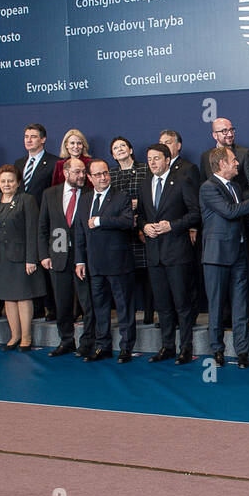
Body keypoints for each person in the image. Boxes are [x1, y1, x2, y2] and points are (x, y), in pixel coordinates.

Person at [199, 146, 249, 368]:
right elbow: (230, 211)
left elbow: (244, 217)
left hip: (239, 255)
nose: (237, 164)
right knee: (216, 306)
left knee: (241, 306)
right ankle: (217, 350)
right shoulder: (208, 187)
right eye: (233, 160)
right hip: (216, 257)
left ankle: (242, 352)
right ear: (222, 163)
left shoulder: (235, 186)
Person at [140, 144, 201, 365]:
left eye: (157, 158)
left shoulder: (182, 181)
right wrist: (144, 226)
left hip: (177, 253)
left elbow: (196, 214)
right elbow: (140, 216)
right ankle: (167, 346)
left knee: (182, 305)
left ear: (168, 160)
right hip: (154, 253)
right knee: (163, 305)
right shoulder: (145, 184)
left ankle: (185, 348)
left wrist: (172, 226)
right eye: (149, 159)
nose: (153, 163)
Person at [74, 159, 138, 363]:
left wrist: (101, 220)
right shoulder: (84, 200)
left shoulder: (121, 196)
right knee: (99, 307)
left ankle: (127, 347)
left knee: (123, 306)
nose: (103, 177)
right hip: (94, 263)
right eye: (98, 175)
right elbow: (79, 232)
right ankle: (103, 346)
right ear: (90, 178)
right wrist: (79, 261)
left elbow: (128, 222)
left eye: (105, 173)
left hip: (118, 262)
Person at [38, 156, 96, 358]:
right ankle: (66, 340)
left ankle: (87, 342)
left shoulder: (90, 193)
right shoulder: (50, 194)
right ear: (66, 172)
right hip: (58, 255)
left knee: (87, 302)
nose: (82, 176)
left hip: (84, 256)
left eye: (83, 172)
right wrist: (44, 255)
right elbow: (43, 227)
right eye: (77, 172)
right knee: (62, 303)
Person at [0, 165, 43, 351]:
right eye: (3, 181)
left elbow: (33, 230)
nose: (7, 184)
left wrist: (32, 258)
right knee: (7, 298)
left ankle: (26, 337)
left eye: (10, 181)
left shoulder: (26, 200)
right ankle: (14, 336)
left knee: (23, 297)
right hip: (0, 258)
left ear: (18, 183)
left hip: (21, 258)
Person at [107, 135, 153, 327]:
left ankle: (150, 313)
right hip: (121, 230)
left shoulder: (144, 169)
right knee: (125, 276)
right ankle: (128, 315)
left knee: (147, 275)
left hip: (142, 226)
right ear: (113, 155)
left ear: (131, 149)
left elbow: (151, 195)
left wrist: (137, 207)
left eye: (123, 146)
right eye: (115, 148)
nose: (120, 149)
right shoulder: (111, 174)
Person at [17, 123, 55, 318]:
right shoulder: (18, 163)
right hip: (22, 222)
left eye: (32, 136)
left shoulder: (54, 162)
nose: (28, 140)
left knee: (46, 264)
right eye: (26, 136)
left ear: (43, 139)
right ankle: (37, 307)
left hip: (45, 221)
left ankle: (51, 307)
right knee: (29, 265)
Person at [199, 117, 249, 194]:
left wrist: (237, 201)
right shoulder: (206, 156)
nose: (230, 134)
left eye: (231, 130)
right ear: (215, 135)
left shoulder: (244, 154)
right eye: (224, 131)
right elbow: (204, 186)